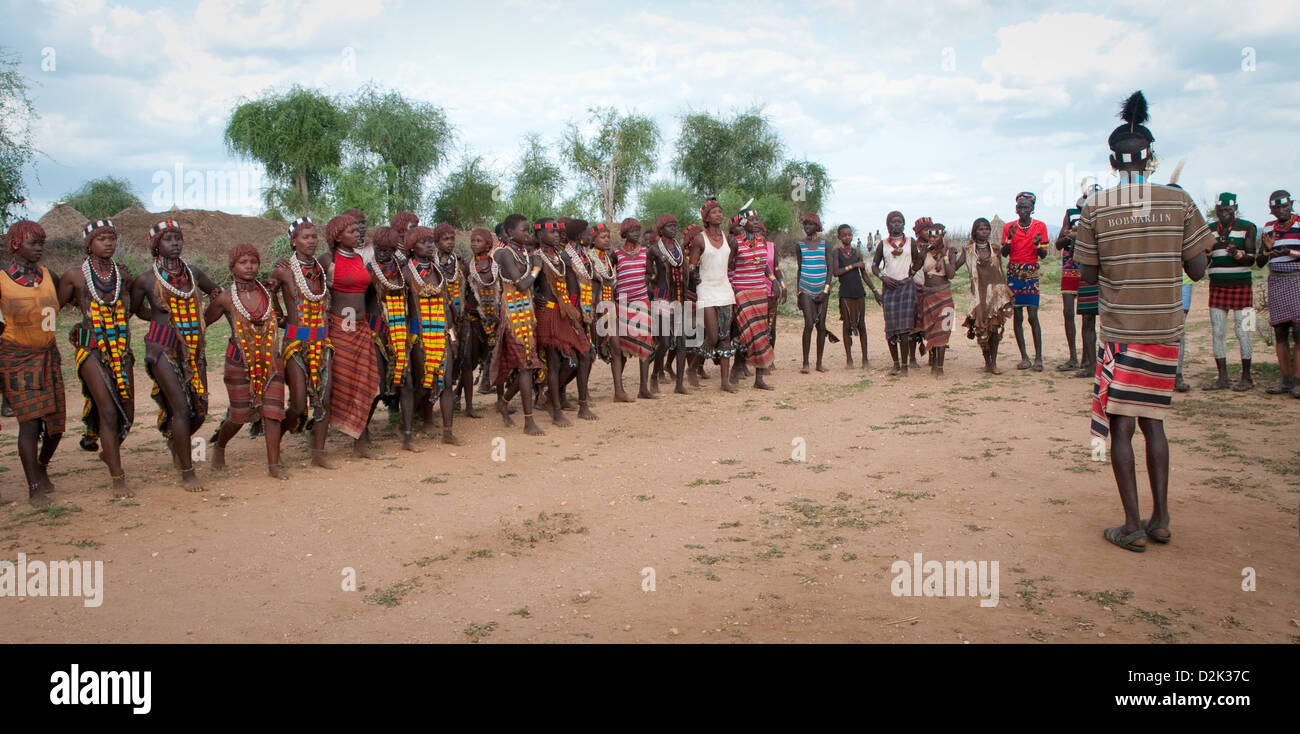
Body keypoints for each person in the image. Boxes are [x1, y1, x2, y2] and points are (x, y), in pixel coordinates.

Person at [1075, 90, 1212, 553]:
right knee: (1155, 424)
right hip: (1165, 332)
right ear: (1152, 157)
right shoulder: (1179, 200)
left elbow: (1088, 276)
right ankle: (1161, 519)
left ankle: (1131, 524)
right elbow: (1197, 269)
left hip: (1120, 334)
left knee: (1120, 426)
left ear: (1113, 160)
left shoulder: (1095, 207)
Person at [131, 220, 221, 491]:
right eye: (168, 239)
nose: (175, 243)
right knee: (181, 408)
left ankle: (175, 440)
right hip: (162, 347)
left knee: (201, 409)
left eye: (178, 238)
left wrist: (202, 321)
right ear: (156, 244)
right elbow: (135, 310)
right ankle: (187, 471)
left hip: (194, 348)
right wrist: (161, 318)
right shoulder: (146, 280)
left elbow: (217, 294)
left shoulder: (193, 273)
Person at [57, 219, 137, 497]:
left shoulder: (124, 276)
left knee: (128, 412)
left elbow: (132, 308)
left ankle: (108, 450)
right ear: (88, 244)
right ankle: (118, 477)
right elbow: (55, 306)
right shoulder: (74, 276)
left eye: (112, 238)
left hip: (122, 350)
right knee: (109, 410)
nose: (108, 243)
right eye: (101, 238)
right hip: (91, 351)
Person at [206, 244, 288, 479]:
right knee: (239, 414)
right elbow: (204, 322)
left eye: (253, 262)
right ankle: (219, 446)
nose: (250, 266)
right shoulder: (225, 297)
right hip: (239, 360)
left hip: (270, 359)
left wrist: (273, 295)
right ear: (232, 267)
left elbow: (279, 317)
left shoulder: (267, 291)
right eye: (243, 262)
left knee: (273, 412)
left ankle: (274, 465)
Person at [0, 221, 66, 506]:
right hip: (15, 356)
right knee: (30, 424)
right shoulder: (2, 279)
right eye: (32, 243)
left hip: (49, 355)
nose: (39, 248)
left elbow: (74, 299)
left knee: (56, 425)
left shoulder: (49, 276)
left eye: (41, 243)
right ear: (16, 244)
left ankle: (40, 465)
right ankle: (34, 487)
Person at [269, 217, 333, 468]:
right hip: (296, 343)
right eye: (305, 237)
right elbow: (269, 293)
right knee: (297, 404)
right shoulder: (284, 270)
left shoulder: (320, 268)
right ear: (293, 241)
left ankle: (318, 452)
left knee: (325, 401)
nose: (311, 241)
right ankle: (277, 442)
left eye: (314, 236)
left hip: (323, 342)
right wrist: (281, 317)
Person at [322, 213, 381, 460]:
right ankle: (319, 444)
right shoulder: (327, 260)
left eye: (358, 231)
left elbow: (369, 295)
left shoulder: (359, 258)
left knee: (369, 383)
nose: (358, 234)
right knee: (338, 385)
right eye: (352, 232)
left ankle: (360, 442)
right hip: (340, 329)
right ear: (337, 236)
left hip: (361, 328)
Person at [490, 214, 545, 435]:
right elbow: (522, 285)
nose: (528, 234)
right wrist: (536, 269)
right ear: (511, 231)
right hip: (513, 316)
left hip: (527, 313)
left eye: (528, 229)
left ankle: (503, 402)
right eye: (524, 230)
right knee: (524, 365)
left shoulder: (522, 252)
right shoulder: (504, 253)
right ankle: (528, 421)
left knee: (529, 365)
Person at [532, 218, 590, 426]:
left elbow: (572, 283)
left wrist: (575, 309)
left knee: (583, 354)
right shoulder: (535, 258)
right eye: (551, 232)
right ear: (540, 235)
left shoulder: (562, 256)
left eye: (558, 232)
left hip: (566, 313)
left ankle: (582, 405)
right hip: (547, 314)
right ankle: (556, 410)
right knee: (555, 362)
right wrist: (534, 296)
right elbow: (525, 284)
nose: (557, 235)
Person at [365, 225, 419, 450]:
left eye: (387, 249)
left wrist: (414, 330)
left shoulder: (404, 270)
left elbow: (413, 302)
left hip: (400, 334)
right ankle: (362, 433)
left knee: (406, 383)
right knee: (375, 388)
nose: (382, 253)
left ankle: (406, 435)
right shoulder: (368, 271)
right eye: (378, 248)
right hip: (374, 334)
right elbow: (359, 302)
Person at [407, 226, 461, 443]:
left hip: (442, 333)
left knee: (447, 382)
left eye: (431, 241)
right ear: (412, 246)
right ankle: (413, 424)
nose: (429, 245)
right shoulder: (405, 271)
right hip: (419, 336)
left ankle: (448, 432)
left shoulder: (438, 271)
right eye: (423, 242)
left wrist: (452, 337)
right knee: (424, 384)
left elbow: (447, 307)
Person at [1202, 192, 1257, 391]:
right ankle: (1222, 377)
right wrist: (1205, 256)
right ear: (1216, 210)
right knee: (1217, 332)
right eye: (1221, 210)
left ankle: (1247, 377)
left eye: (1228, 209)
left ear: (1235, 209)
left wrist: (1238, 255)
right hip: (1217, 286)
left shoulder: (1248, 227)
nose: (1224, 213)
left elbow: (1251, 259)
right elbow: (1206, 258)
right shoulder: (1209, 230)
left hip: (1243, 286)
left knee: (1244, 331)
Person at [688, 199, 739, 392]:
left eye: (720, 211)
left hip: (724, 288)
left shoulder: (727, 237)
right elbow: (691, 266)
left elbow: (730, 264)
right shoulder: (700, 239)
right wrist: (693, 276)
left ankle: (724, 381)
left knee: (725, 336)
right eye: (714, 212)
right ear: (706, 217)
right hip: (707, 289)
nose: (719, 214)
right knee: (713, 335)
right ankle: (693, 367)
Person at [728, 209, 775, 389]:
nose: (756, 222)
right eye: (751, 219)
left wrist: (773, 281)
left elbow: (764, 266)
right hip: (742, 292)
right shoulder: (735, 242)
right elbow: (729, 266)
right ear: (742, 223)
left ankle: (759, 378)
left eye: (757, 219)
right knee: (745, 333)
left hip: (759, 292)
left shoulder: (761, 240)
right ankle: (736, 368)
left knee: (761, 332)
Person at [1002, 192, 1049, 371]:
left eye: (1026, 208)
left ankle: (1038, 359)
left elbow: (1043, 255)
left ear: (1032, 209)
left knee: (1033, 316)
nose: (1023, 211)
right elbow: (1005, 253)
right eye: (1020, 208)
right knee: (1018, 316)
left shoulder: (1040, 226)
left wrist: (1037, 245)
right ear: (1016, 209)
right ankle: (1024, 357)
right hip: (1014, 273)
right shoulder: (1009, 227)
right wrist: (1009, 238)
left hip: (1031, 274)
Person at [1260, 189, 1300, 397]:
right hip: (1276, 281)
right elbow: (1260, 261)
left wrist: (1290, 253)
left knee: (1299, 332)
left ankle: (1299, 382)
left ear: (1291, 204)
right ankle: (1286, 380)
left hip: (1297, 280)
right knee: (1280, 333)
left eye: (1285, 206)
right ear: (1271, 210)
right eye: (1277, 207)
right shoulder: (1268, 228)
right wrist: (1267, 250)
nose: (1281, 210)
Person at [961, 218, 1014, 374]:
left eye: (986, 229)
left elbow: (1000, 271)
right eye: (980, 229)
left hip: (995, 295)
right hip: (978, 295)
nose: (984, 231)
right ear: (974, 232)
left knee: (995, 329)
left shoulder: (995, 249)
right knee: (981, 329)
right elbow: (954, 268)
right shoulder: (968, 250)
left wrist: (1007, 292)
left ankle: (994, 363)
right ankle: (987, 361)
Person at [872, 211, 923, 375]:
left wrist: (910, 275)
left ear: (904, 224)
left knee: (905, 329)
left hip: (906, 287)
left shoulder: (910, 243)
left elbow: (917, 262)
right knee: (891, 327)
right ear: (887, 225)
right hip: (889, 287)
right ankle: (895, 364)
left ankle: (905, 367)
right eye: (893, 222)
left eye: (899, 222)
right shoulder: (883, 245)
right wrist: (882, 278)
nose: (896, 225)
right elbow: (874, 266)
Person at [613, 218, 657, 399]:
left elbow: (650, 272)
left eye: (638, 231)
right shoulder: (615, 254)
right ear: (624, 233)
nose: (636, 234)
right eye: (632, 231)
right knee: (620, 347)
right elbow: (609, 275)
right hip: (622, 304)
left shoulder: (645, 252)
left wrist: (649, 281)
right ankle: (619, 390)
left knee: (645, 343)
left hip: (642, 302)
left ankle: (643, 388)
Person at [649, 214, 689, 393]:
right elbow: (647, 274)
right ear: (661, 229)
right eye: (670, 226)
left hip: (679, 298)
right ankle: (655, 374)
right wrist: (654, 278)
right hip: (662, 297)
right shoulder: (654, 250)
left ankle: (679, 384)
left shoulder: (679, 249)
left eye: (675, 226)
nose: (674, 229)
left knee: (681, 342)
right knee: (664, 342)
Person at [915, 220, 959, 376]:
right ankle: (933, 363)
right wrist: (921, 254)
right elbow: (914, 268)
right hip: (928, 294)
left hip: (944, 295)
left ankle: (939, 368)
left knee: (943, 330)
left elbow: (951, 274)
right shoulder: (925, 252)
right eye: (930, 236)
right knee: (931, 331)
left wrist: (945, 255)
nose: (932, 239)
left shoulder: (950, 252)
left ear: (942, 236)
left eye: (936, 236)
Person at [832, 224, 879, 369]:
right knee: (847, 325)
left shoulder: (857, 253)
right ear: (839, 237)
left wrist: (875, 290)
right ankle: (849, 360)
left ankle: (865, 359)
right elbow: (836, 272)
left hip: (859, 292)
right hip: (845, 293)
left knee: (861, 324)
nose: (848, 237)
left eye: (849, 234)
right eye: (844, 235)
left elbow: (864, 274)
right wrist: (853, 266)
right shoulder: (836, 252)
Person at [464, 228, 499, 411]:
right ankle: (463, 400)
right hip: (474, 319)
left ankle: (497, 396)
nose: (474, 244)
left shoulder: (496, 264)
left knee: (494, 356)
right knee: (469, 359)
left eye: (478, 240)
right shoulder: (466, 266)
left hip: (494, 319)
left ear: (488, 244)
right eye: (472, 240)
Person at [795, 213, 832, 373]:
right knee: (809, 323)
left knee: (821, 325)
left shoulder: (825, 244)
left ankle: (819, 362)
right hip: (805, 288)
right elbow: (799, 268)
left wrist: (825, 291)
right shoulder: (800, 245)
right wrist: (798, 293)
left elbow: (830, 269)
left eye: (810, 225)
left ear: (817, 226)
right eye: (805, 225)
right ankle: (805, 363)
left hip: (822, 289)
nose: (807, 227)